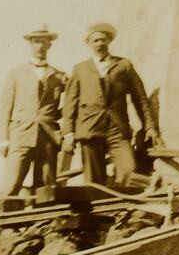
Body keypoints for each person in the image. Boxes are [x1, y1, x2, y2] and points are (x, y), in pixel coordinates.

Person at [60, 22, 160, 190]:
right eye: (96, 40)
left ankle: (122, 207)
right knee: (93, 181)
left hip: (117, 129)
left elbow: (140, 99)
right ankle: (98, 216)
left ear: (109, 42)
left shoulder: (124, 65)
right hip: (89, 129)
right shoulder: (80, 69)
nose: (100, 43)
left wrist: (149, 126)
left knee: (128, 170)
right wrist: (68, 134)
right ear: (89, 44)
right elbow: (70, 104)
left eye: (103, 40)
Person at [0, 25, 68, 202]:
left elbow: (73, 102)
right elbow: (5, 107)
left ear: (49, 45)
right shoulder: (16, 73)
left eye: (43, 42)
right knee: (11, 184)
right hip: (20, 134)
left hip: (48, 136)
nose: (39, 46)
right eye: (35, 42)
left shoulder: (58, 75)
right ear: (30, 44)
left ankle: (44, 225)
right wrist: (3, 139)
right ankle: (4, 226)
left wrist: (53, 118)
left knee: (46, 187)